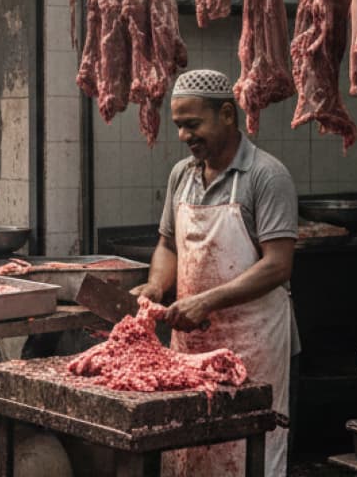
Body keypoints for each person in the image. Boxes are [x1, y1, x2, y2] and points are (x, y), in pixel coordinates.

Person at [129, 70, 298, 477]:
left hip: (252, 342)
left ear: (226, 114)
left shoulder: (266, 175)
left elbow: (277, 264)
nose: (185, 136)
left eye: (192, 124)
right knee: (189, 451)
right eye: (179, 126)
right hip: (190, 339)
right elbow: (168, 245)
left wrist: (206, 301)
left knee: (246, 453)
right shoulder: (181, 175)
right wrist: (156, 284)